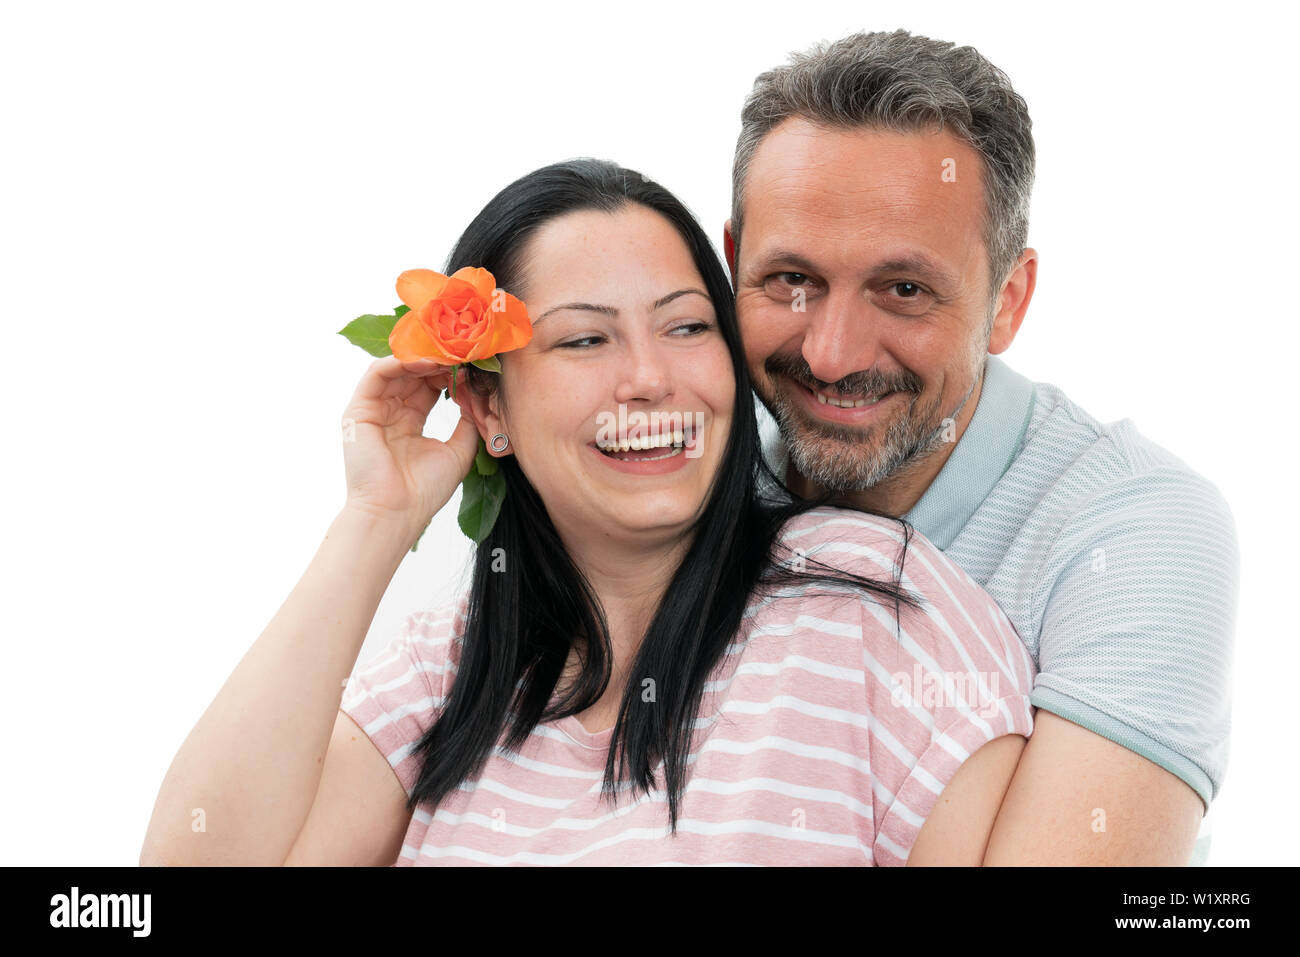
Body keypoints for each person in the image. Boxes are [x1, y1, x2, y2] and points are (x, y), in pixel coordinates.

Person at [139, 158, 1035, 867]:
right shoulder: (447, 667)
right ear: (490, 409)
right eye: (584, 339)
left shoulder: (873, 604)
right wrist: (375, 518)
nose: (650, 377)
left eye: (687, 326)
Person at [723, 29, 1239, 864]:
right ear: (734, 261)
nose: (831, 353)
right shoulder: (678, 474)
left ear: (1009, 300)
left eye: (903, 289)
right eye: (793, 280)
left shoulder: (1136, 530)